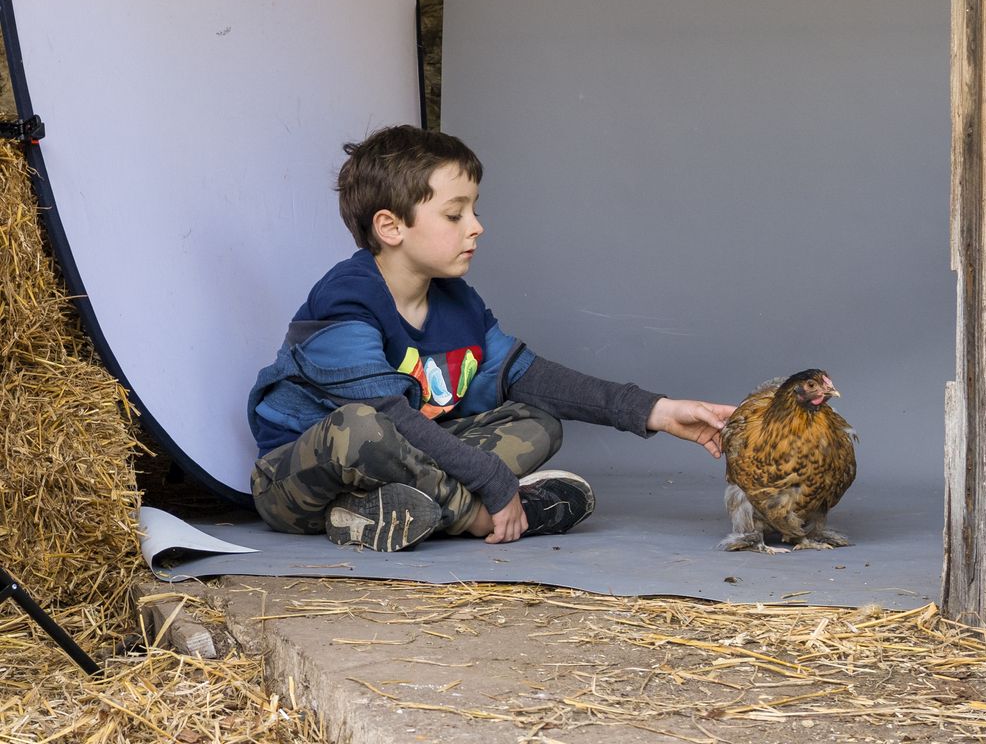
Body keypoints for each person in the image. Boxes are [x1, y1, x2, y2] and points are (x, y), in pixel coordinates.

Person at [247, 125, 735, 551]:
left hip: (410, 464)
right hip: (300, 484)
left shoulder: (458, 301)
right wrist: (495, 485)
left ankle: (377, 514)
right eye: (455, 214)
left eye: (474, 210)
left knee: (539, 422)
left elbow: (530, 377)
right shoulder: (345, 299)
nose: (477, 227)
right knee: (361, 426)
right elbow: (386, 418)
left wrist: (657, 410)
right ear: (391, 226)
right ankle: (482, 519)